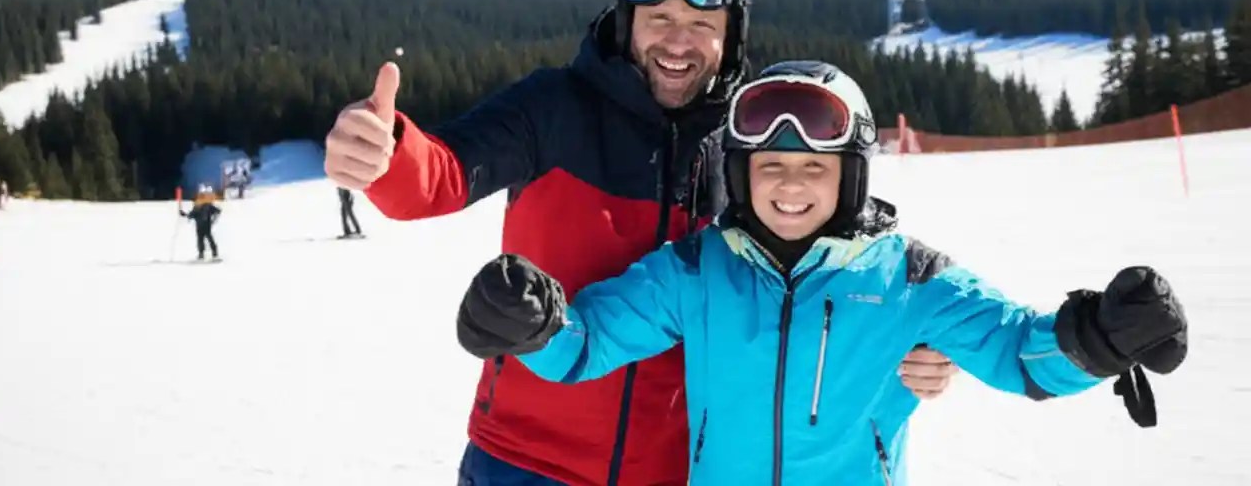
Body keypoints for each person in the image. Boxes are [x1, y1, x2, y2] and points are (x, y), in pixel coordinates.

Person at [323, 0, 957, 485]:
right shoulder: (553, 108)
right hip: (523, 460)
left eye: (701, 26)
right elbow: (439, 176)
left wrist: (905, 340)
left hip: (669, 470)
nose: (677, 43)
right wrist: (384, 155)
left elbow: (814, 275)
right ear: (627, 21)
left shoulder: (747, 144)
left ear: (731, 34)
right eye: (659, 20)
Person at [456, 60, 1190, 485]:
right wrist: (532, 326)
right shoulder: (696, 268)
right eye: (770, 166)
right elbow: (589, 343)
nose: (791, 185)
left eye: (815, 167)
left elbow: (1015, 353)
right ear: (739, 177)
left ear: (855, 175)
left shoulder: (910, 276)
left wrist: (1096, 338)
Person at [180, 184, 222, 260]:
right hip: (202, 225)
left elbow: (217, 211)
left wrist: (214, 219)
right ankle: (203, 253)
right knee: (202, 239)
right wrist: (184, 214)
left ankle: (211, 253)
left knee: (206, 238)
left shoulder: (206, 205)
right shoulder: (199, 206)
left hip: (205, 225)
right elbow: (191, 214)